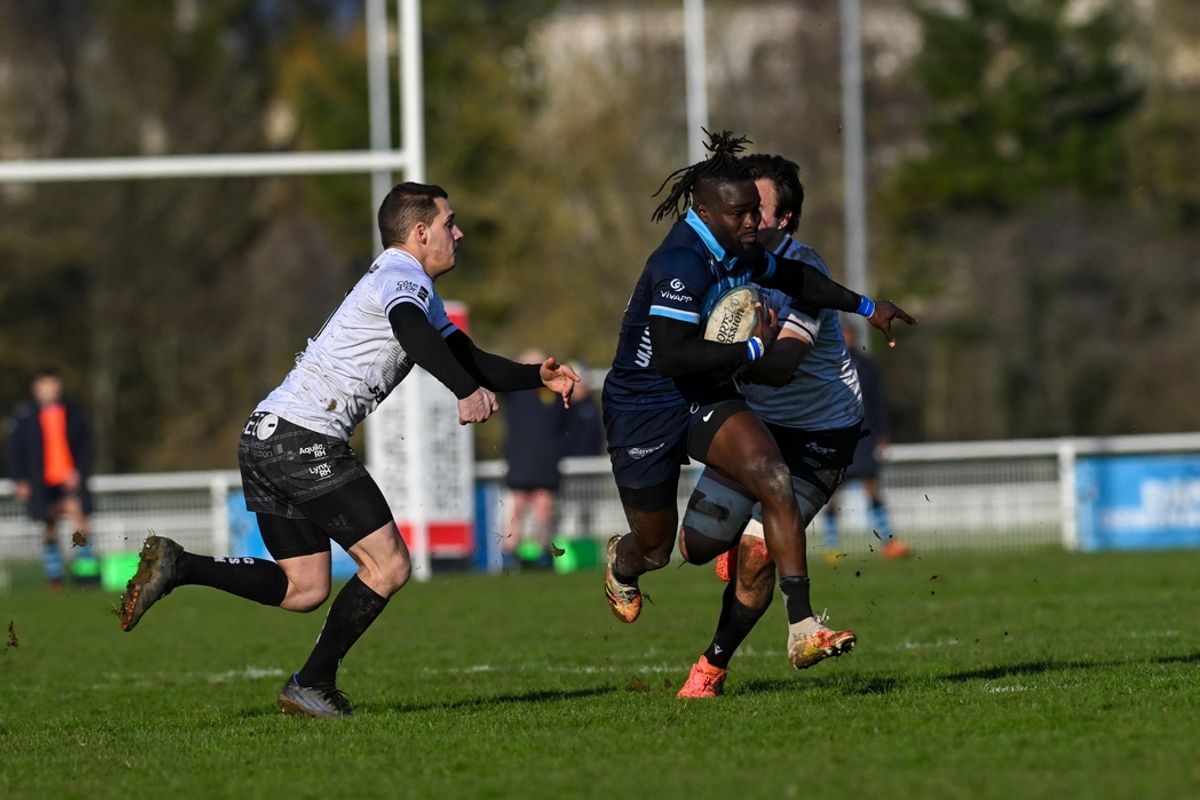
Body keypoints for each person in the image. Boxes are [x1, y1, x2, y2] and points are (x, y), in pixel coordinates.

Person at [116, 182, 580, 718]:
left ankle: (180, 565)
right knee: (390, 566)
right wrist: (463, 391)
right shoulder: (403, 278)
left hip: (265, 435)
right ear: (420, 232)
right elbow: (413, 333)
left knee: (304, 587)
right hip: (303, 439)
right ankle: (312, 682)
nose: (459, 233)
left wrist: (535, 377)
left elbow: (465, 355)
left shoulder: (405, 286)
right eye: (450, 222)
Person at [600, 130, 915, 673]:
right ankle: (622, 565)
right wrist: (751, 344)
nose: (751, 223)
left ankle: (802, 628)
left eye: (756, 212)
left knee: (771, 474)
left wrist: (867, 305)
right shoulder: (683, 262)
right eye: (742, 213)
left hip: (713, 395)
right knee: (664, 549)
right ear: (708, 211)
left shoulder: (738, 248)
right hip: (646, 405)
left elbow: (797, 279)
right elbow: (673, 358)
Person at [675, 153, 881, 698]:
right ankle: (726, 545)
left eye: (755, 208)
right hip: (755, 425)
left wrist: (735, 351)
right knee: (693, 547)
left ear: (783, 220)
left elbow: (785, 366)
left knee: (760, 555)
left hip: (819, 435)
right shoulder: (715, 263)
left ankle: (711, 668)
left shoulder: (802, 271)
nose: (741, 217)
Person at [5, 369, 99, 590]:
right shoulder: (24, 418)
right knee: (48, 525)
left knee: (80, 521)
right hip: (41, 480)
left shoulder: (74, 414)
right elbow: (14, 450)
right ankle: (54, 577)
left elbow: (87, 447)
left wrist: (79, 470)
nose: (48, 390)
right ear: (35, 389)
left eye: (52, 385)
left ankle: (86, 575)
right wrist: (20, 479)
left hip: (69, 478)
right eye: (43, 386)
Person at [823, 322, 910, 561]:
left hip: (864, 437)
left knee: (871, 489)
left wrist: (882, 434)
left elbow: (878, 403)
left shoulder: (868, 367)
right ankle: (832, 547)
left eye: (848, 335)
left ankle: (888, 541)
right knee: (831, 494)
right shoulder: (825, 365)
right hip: (835, 436)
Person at [501, 348, 569, 570]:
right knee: (517, 505)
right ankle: (510, 553)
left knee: (544, 506)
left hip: (545, 456)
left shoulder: (552, 393)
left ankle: (544, 553)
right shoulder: (513, 391)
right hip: (520, 455)